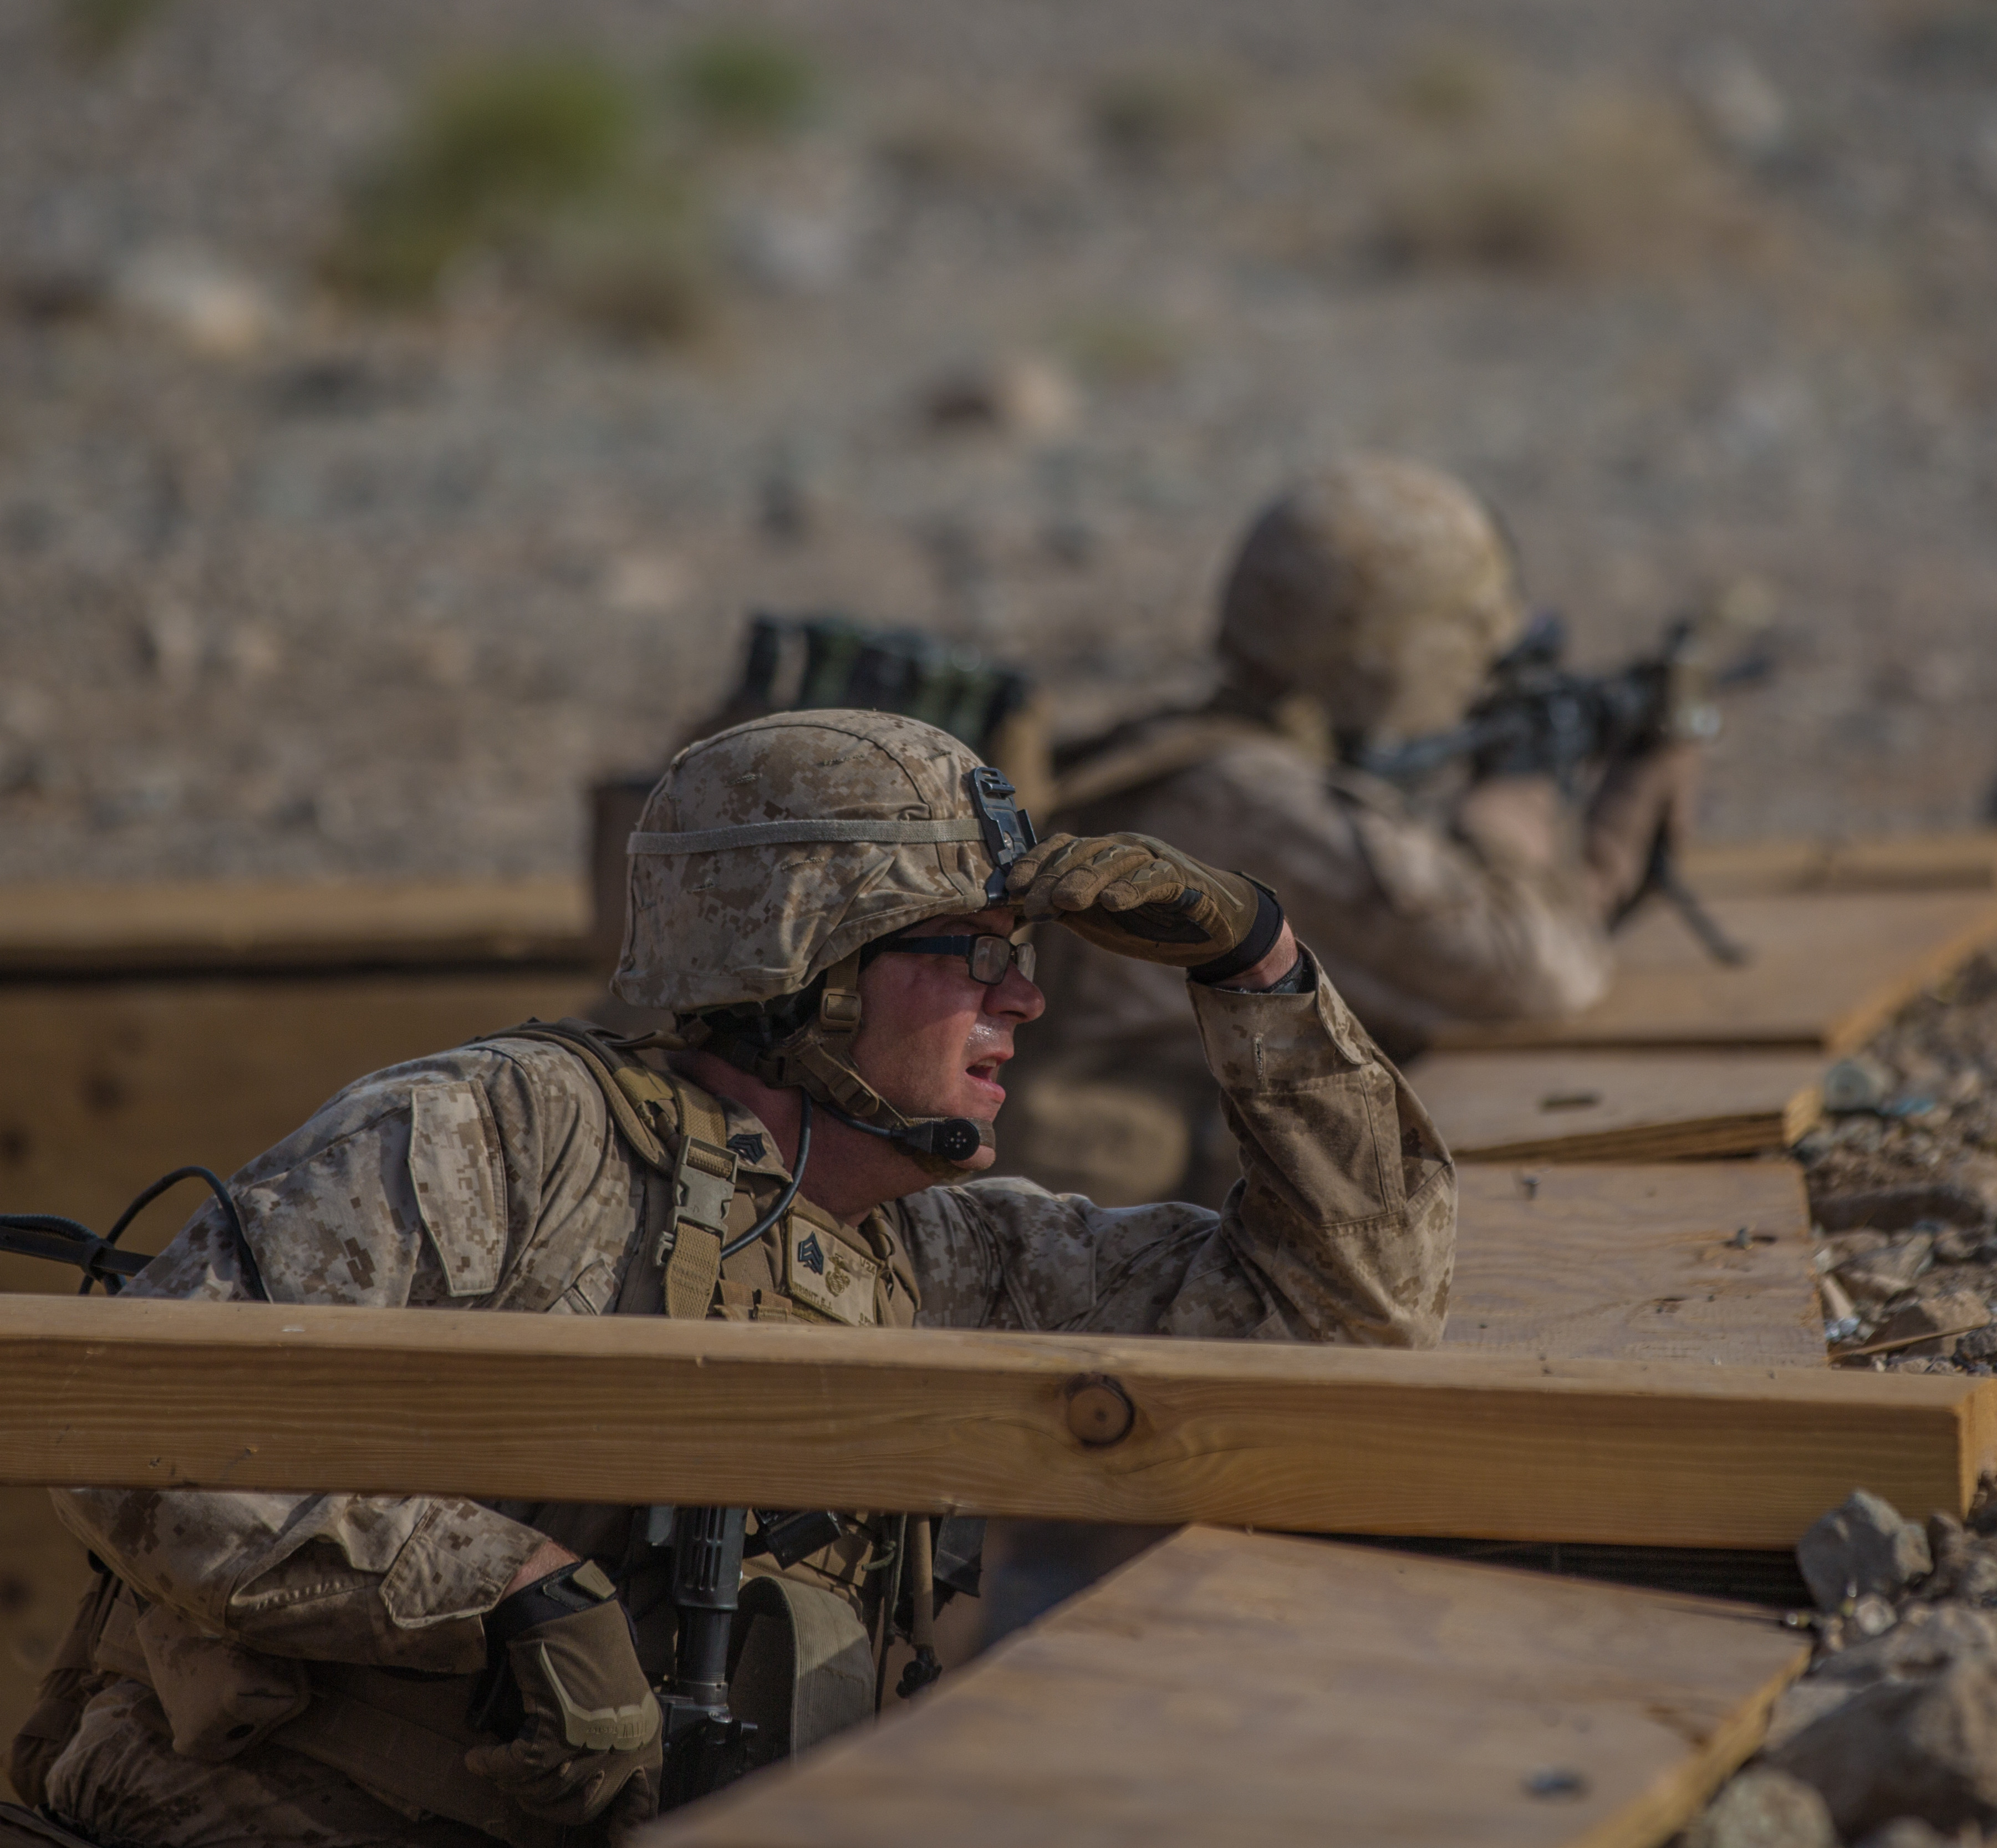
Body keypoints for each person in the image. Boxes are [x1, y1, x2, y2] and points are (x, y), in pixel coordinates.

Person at [17, 710, 1453, 1847]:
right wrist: (503, 1590)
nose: (1023, 998)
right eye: (973, 953)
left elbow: (1349, 1312)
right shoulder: (501, 1136)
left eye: (1025, 958)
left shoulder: (941, 1248)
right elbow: (137, 1425)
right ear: (801, 959)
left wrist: (1258, 967)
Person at [1002, 454, 1699, 1204]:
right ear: (1408, 657)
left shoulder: (1205, 751)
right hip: (1114, 1239)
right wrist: (1511, 819)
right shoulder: (1262, 802)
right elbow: (1536, 976)